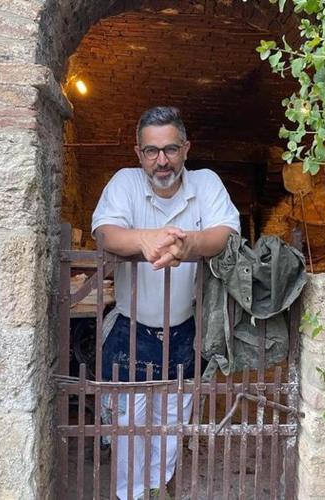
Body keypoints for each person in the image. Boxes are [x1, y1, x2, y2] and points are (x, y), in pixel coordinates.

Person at [92, 106, 240, 499]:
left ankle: (157, 490)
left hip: (183, 331)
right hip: (131, 330)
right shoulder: (125, 182)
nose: (162, 160)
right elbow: (104, 232)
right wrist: (143, 239)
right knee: (128, 429)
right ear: (138, 153)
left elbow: (227, 232)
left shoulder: (205, 183)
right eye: (151, 151)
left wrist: (190, 244)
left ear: (186, 149)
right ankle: (131, 494)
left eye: (171, 149)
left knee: (172, 425)